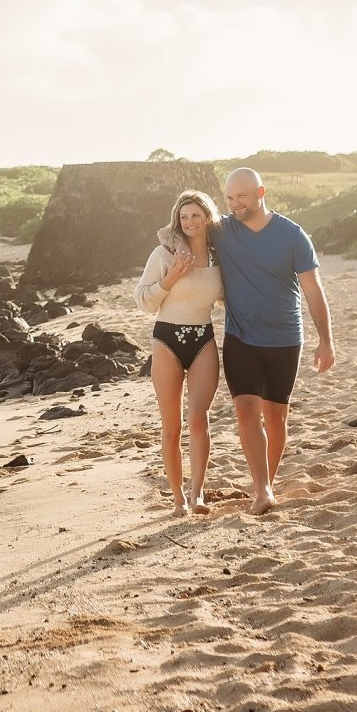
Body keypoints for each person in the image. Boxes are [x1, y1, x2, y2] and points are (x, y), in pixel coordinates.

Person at [216, 167, 335, 516]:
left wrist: (326, 340)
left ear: (261, 192)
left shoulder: (292, 235)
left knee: (276, 415)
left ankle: (266, 479)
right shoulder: (222, 231)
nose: (235, 203)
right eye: (230, 198)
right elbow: (185, 229)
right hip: (240, 336)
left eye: (242, 196)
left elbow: (313, 290)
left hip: (284, 338)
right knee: (245, 410)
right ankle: (262, 488)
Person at [134, 190, 224, 515]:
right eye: (184, 217)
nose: (189, 222)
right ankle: (178, 499)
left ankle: (197, 494)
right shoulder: (164, 253)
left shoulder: (218, 256)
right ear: (178, 220)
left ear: (208, 218)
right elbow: (143, 300)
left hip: (203, 339)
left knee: (199, 419)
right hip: (167, 340)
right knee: (172, 426)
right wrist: (170, 279)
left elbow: (233, 295)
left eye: (196, 216)